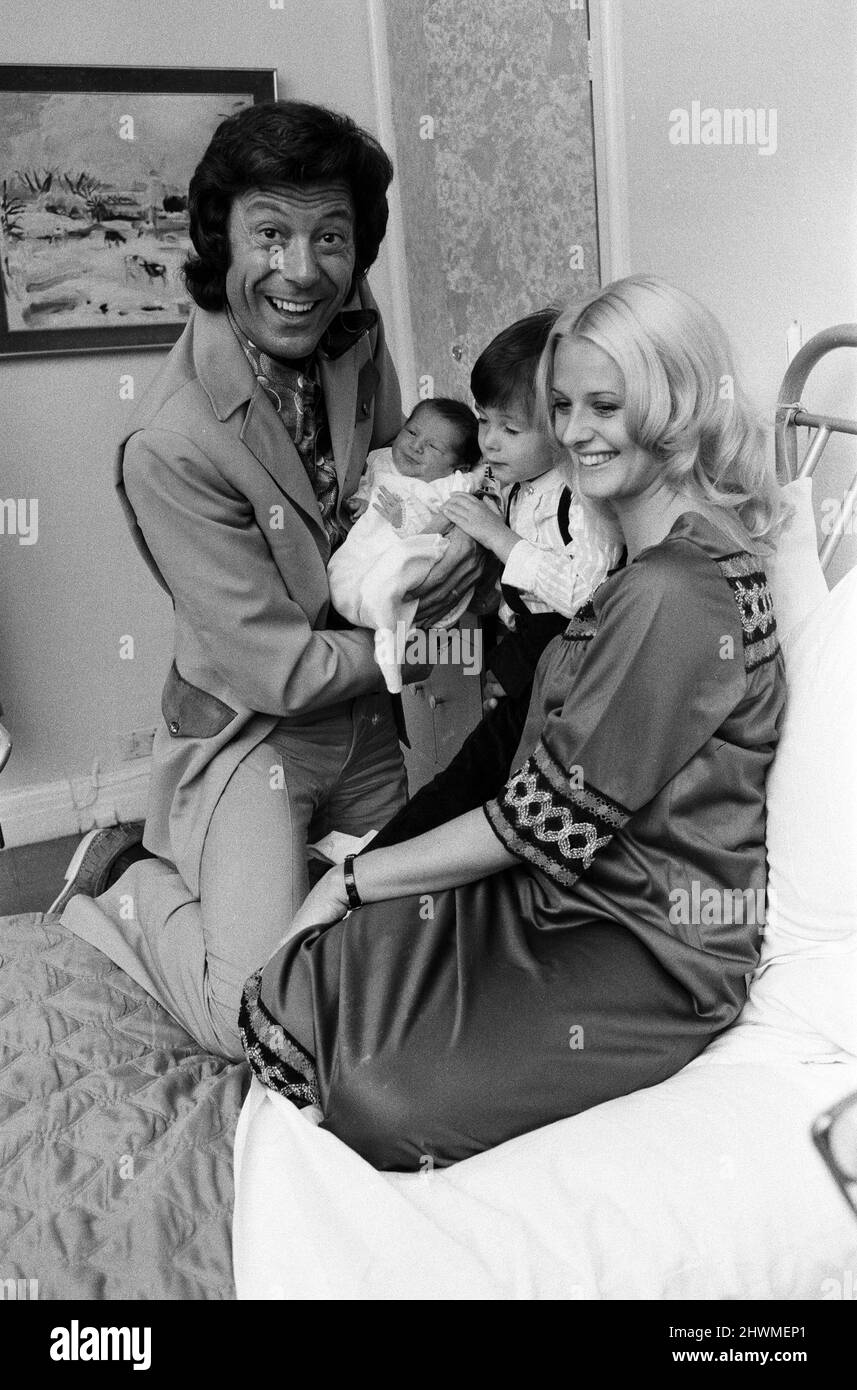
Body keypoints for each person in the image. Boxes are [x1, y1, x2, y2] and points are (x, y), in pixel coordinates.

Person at [240, 274, 788, 1171]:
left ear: (678, 405)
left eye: (604, 404)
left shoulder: (670, 592)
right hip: (566, 893)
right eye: (564, 405)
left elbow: (544, 820)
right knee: (309, 987)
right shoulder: (648, 560)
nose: (574, 432)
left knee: (378, 1101)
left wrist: (350, 879)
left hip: (646, 944)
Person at [57, 100, 480, 1060]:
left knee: (410, 961)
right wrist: (412, 643)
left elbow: (385, 492)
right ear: (221, 239)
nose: (302, 269)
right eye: (270, 234)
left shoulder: (354, 330)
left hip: (366, 720)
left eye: (330, 235)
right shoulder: (170, 444)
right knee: (253, 1020)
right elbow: (274, 672)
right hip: (256, 729)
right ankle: (122, 876)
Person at [368, 308, 623, 847]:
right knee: (486, 761)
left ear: (558, 425)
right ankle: (418, 850)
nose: (489, 442)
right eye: (484, 420)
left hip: (559, 649)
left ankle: (398, 857)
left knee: (484, 770)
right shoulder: (509, 477)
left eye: (510, 428)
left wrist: (497, 538)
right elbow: (443, 505)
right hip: (508, 634)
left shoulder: (579, 495)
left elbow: (588, 595)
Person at [328, 398, 482, 691]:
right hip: (366, 550)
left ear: (457, 466)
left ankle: (389, 650)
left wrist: (401, 520)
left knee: (388, 580)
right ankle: (381, 622)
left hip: (413, 552)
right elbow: (367, 485)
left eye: (434, 447)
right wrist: (362, 499)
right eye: (411, 432)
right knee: (341, 577)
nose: (416, 447)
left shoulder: (446, 487)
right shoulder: (381, 460)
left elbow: (436, 526)